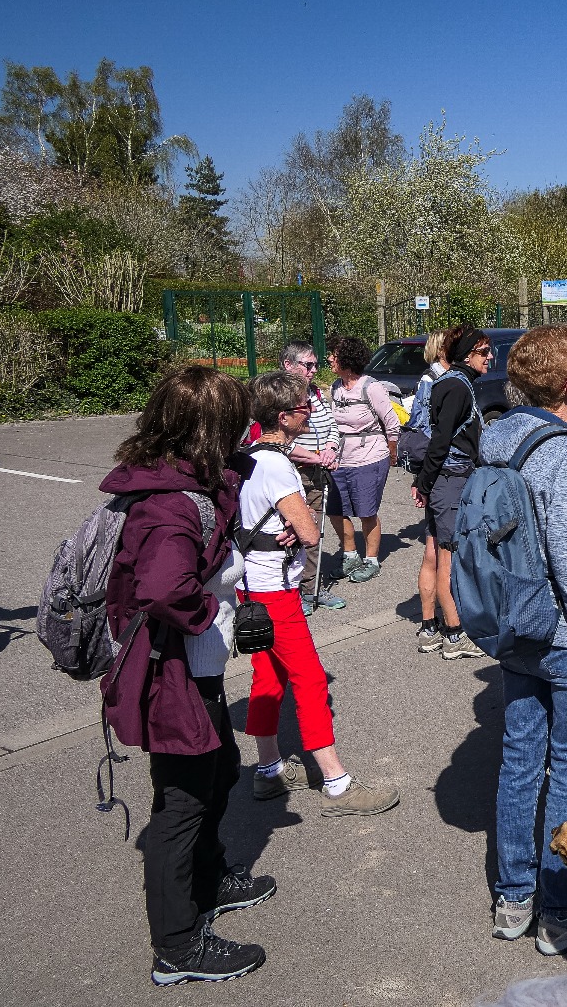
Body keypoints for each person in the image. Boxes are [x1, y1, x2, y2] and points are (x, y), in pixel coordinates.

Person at [101, 366, 271, 986]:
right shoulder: (173, 504)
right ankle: (177, 946)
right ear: (210, 430)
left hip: (192, 664)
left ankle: (210, 878)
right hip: (170, 669)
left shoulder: (180, 479)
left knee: (219, 767)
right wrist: (208, 616)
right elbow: (163, 588)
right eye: (235, 424)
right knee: (181, 802)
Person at [478, 324, 567, 955]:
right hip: (563, 632)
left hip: (511, 624)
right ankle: (561, 910)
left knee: (517, 760)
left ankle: (513, 899)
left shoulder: (497, 437)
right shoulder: (563, 450)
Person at [239, 371, 401, 817]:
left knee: (268, 678)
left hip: (249, 586)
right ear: (282, 417)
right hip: (276, 589)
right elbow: (310, 532)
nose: (309, 412)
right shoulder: (276, 465)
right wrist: (295, 527)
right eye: (302, 407)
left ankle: (269, 770)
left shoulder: (248, 455)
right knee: (309, 679)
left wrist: (285, 529)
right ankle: (336, 782)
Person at [412, 324, 491, 659]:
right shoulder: (457, 387)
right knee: (448, 557)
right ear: (467, 354)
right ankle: (455, 634)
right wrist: (425, 483)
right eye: (484, 352)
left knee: (434, 553)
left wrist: (425, 482)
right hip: (450, 480)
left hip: (441, 480)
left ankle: (430, 628)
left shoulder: (449, 383)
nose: (490, 358)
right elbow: (440, 441)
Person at [325, 336, 399, 583]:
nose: (329, 359)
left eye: (334, 355)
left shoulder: (371, 387)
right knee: (336, 510)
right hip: (340, 458)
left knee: (366, 511)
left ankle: (371, 560)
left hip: (370, 457)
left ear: (347, 359)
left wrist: (391, 453)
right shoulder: (335, 387)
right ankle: (350, 555)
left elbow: (392, 423)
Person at [279, 341, 345, 616]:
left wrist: (330, 450)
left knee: (314, 531)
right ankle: (287, 591)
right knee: (287, 533)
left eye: (316, 364)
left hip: (317, 472)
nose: (314, 370)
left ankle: (312, 588)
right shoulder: (279, 395)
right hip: (290, 473)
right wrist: (314, 456)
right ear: (288, 365)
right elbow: (276, 439)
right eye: (308, 365)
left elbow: (332, 427)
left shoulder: (316, 393)